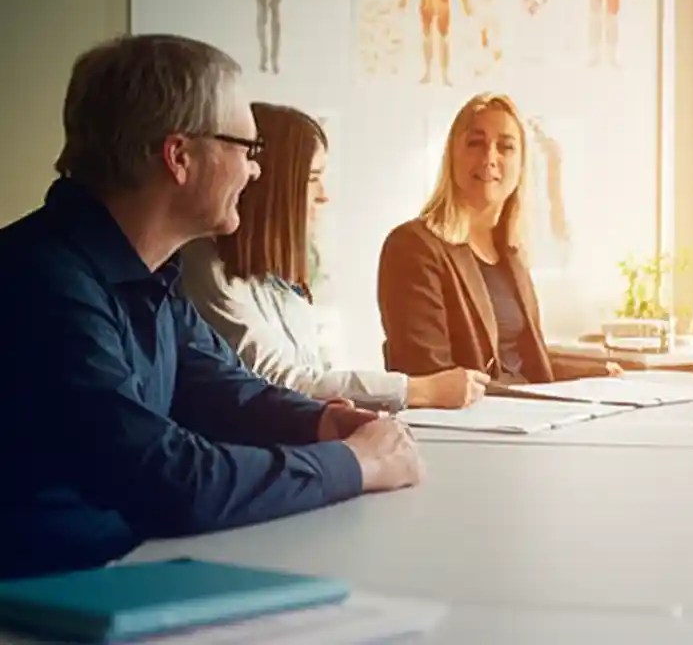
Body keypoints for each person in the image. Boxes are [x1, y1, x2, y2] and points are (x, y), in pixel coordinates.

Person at [0, 35, 422, 579]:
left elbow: (225, 392)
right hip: (45, 603)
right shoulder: (44, 282)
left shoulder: (148, 272)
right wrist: (357, 462)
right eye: (248, 149)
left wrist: (324, 421)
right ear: (179, 157)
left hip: (117, 572)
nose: (256, 172)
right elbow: (169, 479)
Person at [181, 102, 489, 412]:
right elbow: (285, 383)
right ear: (275, 185)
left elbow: (316, 378)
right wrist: (419, 390)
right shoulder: (205, 268)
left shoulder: (279, 279)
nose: (324, 194)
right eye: (313, 178)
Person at [377, 92, 618, 383]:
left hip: (528, 415)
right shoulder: (413, 247)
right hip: (470, 424)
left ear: (521, 165)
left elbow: (528, 362)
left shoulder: (511, 252)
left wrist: (597, 374)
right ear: (452, 155)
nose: (490, 158)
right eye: (475, 143)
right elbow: (431, 378)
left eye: (506, 147)